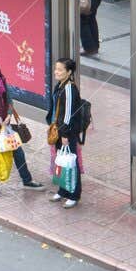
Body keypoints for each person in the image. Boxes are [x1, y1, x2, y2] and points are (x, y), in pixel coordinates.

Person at [0, 53, 41, 198]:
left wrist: (9, 114)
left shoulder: (1, 81)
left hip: (6, 126)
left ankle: (27, 180)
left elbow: (10, 101)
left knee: (18, 152)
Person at [45, 57, 89, 206]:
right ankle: (63, 190)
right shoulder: (60, 85)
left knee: (71, 162)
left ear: (69, 72)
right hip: (59, 130)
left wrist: (64, 134)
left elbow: (68, 114)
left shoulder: (69, 88)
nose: (56, 72)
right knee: (62, 161)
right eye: (56, 68)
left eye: (60, 69)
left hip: (67, 133)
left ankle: (74, 195)